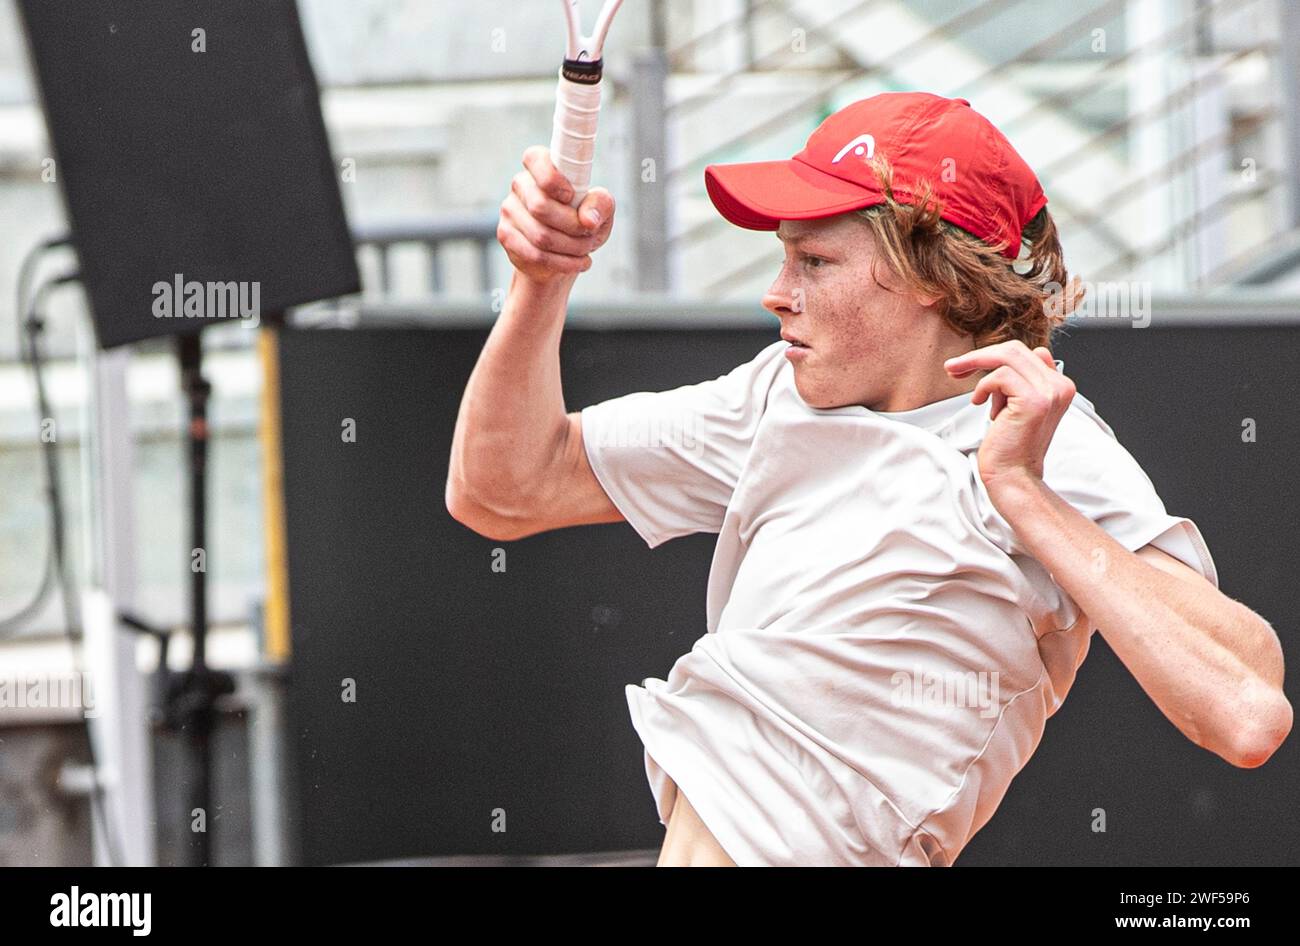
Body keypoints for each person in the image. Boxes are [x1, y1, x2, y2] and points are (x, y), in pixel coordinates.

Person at [447, 91, 1291, 866]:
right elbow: (505, 488)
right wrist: (540, 282)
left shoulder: (1046, 447)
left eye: (813, 262)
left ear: (929, 274)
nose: (777, 295)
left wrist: (1025, 495)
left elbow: (1248, 711)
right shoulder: (775, 396)